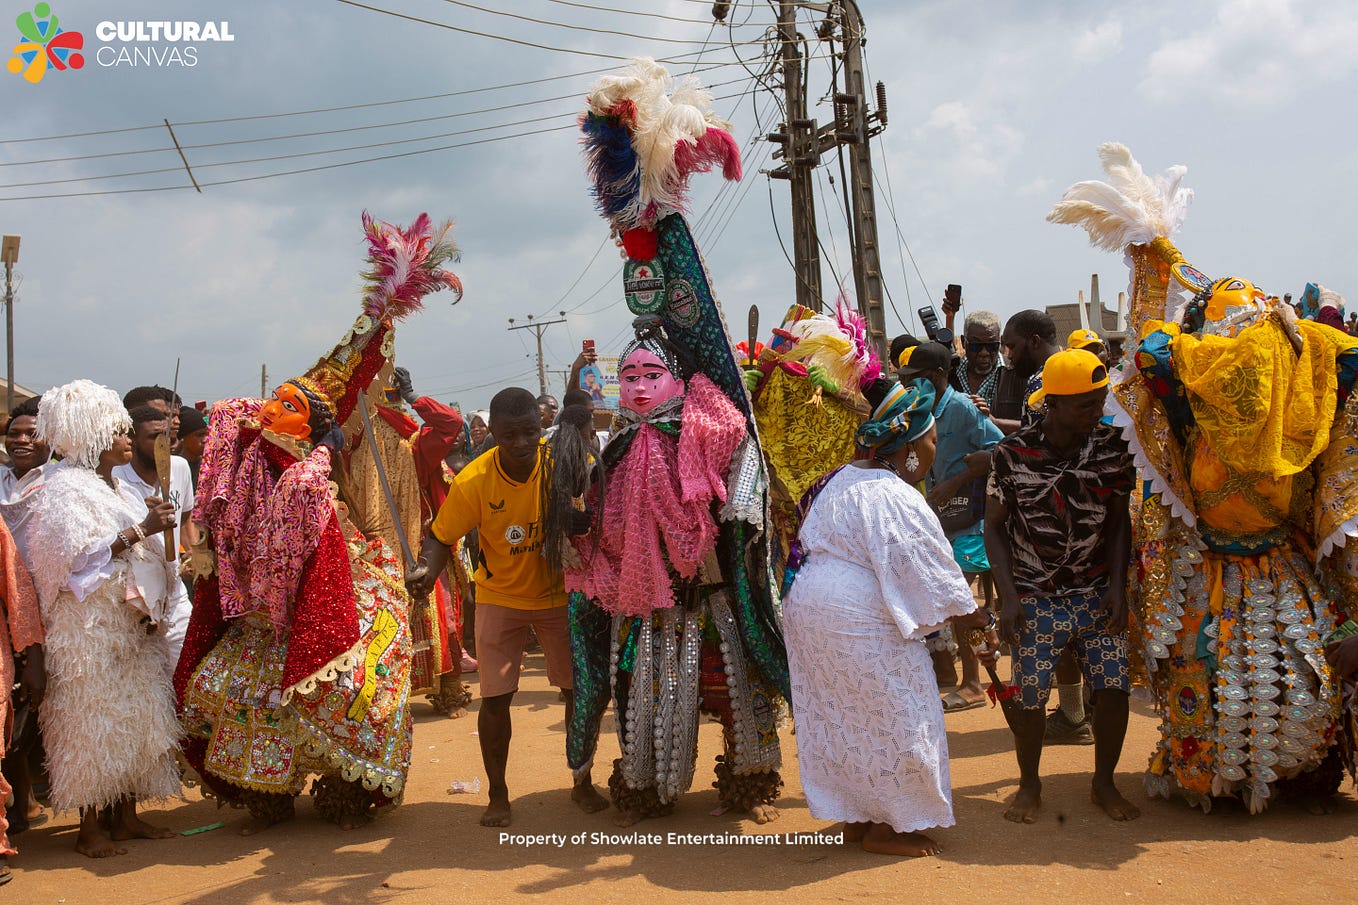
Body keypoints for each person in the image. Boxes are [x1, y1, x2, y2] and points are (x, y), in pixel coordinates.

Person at [1048, 143, 1358, 814]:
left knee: (1278, 680)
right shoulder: (1218, 390)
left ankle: (1286, 776)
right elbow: (1148, 341)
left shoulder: (1226, 384)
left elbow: (1146, 338)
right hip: (1249, 568)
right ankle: (1237, 776)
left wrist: (1150, 261)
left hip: (1255, 567)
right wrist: (1150, 259)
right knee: (1227, 674)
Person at [178, 212, 456, 833]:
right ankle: (266, 790)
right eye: (275, 398)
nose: (273, 406)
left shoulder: (318, 460)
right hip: (264, 607)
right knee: (255, 695)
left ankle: (344, 785)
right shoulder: (256, 451)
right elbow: (244, 416)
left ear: (313, 424)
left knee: (364, 674)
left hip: (318, 585)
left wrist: (379, 319)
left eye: (291, 405)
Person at [568, 61, 787, 827]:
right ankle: (646, 783)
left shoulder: (707, 415)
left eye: (646, 370)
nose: (632, 382)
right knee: (646, 699)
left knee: (734, 693)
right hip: (648, 607)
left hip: (713, 593)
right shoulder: (619, 448)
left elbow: (735, 474)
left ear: (678, 377)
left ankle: (746, 780)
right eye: (625, 373)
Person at [784, 378, 990, 856]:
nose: (935, 450)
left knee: (846, 715)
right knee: (902, 711)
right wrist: (978, 618)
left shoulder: (842, 478)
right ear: (911, 448)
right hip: (854, 619)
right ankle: (889, 827)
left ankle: (857, 817)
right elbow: (929, 570)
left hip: (812, 611)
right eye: (933, 440)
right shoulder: (892, 493)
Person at [407, 387, 607, 828]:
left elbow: (598, 507)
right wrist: (426, 570)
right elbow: (442, 537)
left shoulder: (563, 463)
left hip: (558, 596)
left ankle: (581, 780)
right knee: (496, 701)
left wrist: (583, 521)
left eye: (529, 433)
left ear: (541, 428)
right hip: (499, 599)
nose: (520, 445)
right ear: (491, 433)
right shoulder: (474, 480)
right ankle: (497, 795)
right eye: (508, 435)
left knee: (576, 693)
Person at [28, 379, 181, 858]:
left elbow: (146, 552)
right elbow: (67, 564)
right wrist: (142, 530)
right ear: (91, 435)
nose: (126, 440)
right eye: (117, 432)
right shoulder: (62, 491)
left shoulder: (115, 487)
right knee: (88, 726)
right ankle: (89, 829)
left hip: (132, 628)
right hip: (87, 634)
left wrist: (158, 532)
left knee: (135, 721)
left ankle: (127, 818)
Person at [984, 349, 1139, 824]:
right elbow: (993, 527)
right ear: (1054, 403)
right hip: (1035, 597)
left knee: (1113, 690)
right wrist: (1008, 597)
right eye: (1086, 405)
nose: (1097, 412)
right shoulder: (1012, 455)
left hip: (1096, 593)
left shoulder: (1113, 447)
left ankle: (1104, 783)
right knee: (1030, 696)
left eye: (1099, 402)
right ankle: (1029, 785)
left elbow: (1118, 524)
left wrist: (1118, 587)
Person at [898, 341, 1004, 712]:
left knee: (957, 594)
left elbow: (1001, 452)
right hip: (944, 520)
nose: (912, 386)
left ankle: (974, 682)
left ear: (939, 376)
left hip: (972, 520)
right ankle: (976, 670)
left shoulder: (961, 408)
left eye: (919, 379)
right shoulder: (919, 411)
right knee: (954, 598)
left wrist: (957, 481)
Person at [112, 405, 195, 678]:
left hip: (175, 592)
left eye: (168, 437)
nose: (164, 444)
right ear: (132, 440)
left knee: (184, 673)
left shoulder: (180, 467)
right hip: (136, 601)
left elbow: (185, 518)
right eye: (154, 438)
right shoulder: (116, 476)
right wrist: (145, 523)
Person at [1000, 310, 1061, 429]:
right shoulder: (1076, 370)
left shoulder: (1042, 384)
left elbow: (1037, 437)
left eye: (1012, 347)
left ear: (1034, 341)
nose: (1009, 355)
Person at [176, 406, 208, 488]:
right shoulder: (174, 468)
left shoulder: (208, 467)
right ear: (183, 438)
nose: (205, 440)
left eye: (208, 434)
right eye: (200, 435)